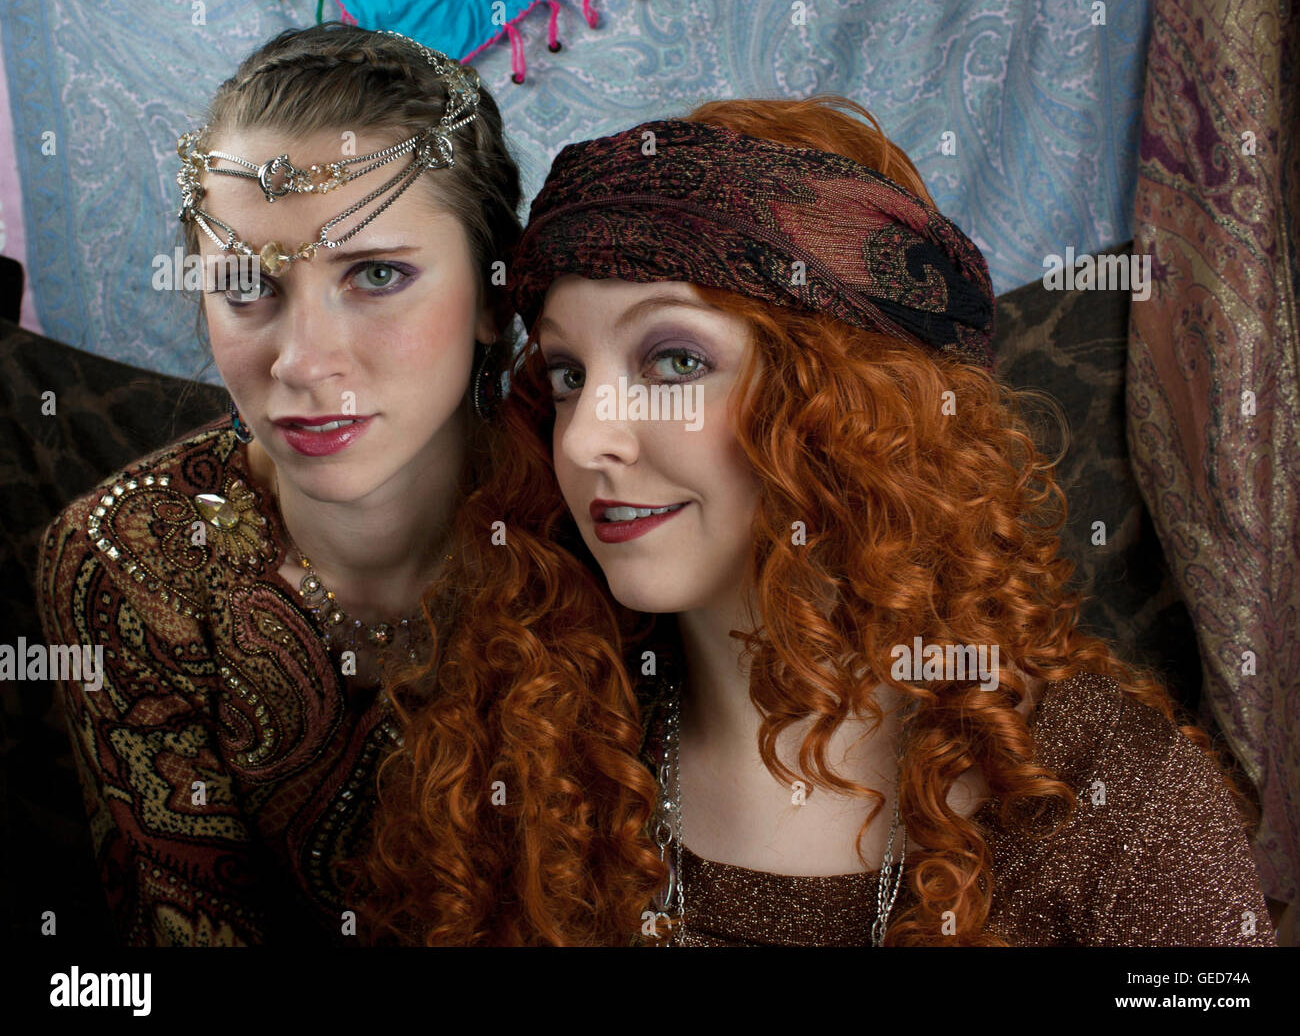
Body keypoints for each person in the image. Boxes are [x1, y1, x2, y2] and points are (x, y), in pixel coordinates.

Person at [364, 96, 1277, 947]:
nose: (588, 438)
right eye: (567, 375)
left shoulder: (1111, 802)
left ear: (859, 411)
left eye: (675, 361)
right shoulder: (516, 748)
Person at [36, 22, 522, 945]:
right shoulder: (129, 567)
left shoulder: (610, 519)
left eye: (377, 274)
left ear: (496, 295)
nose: (302, 362)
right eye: (245, 286)